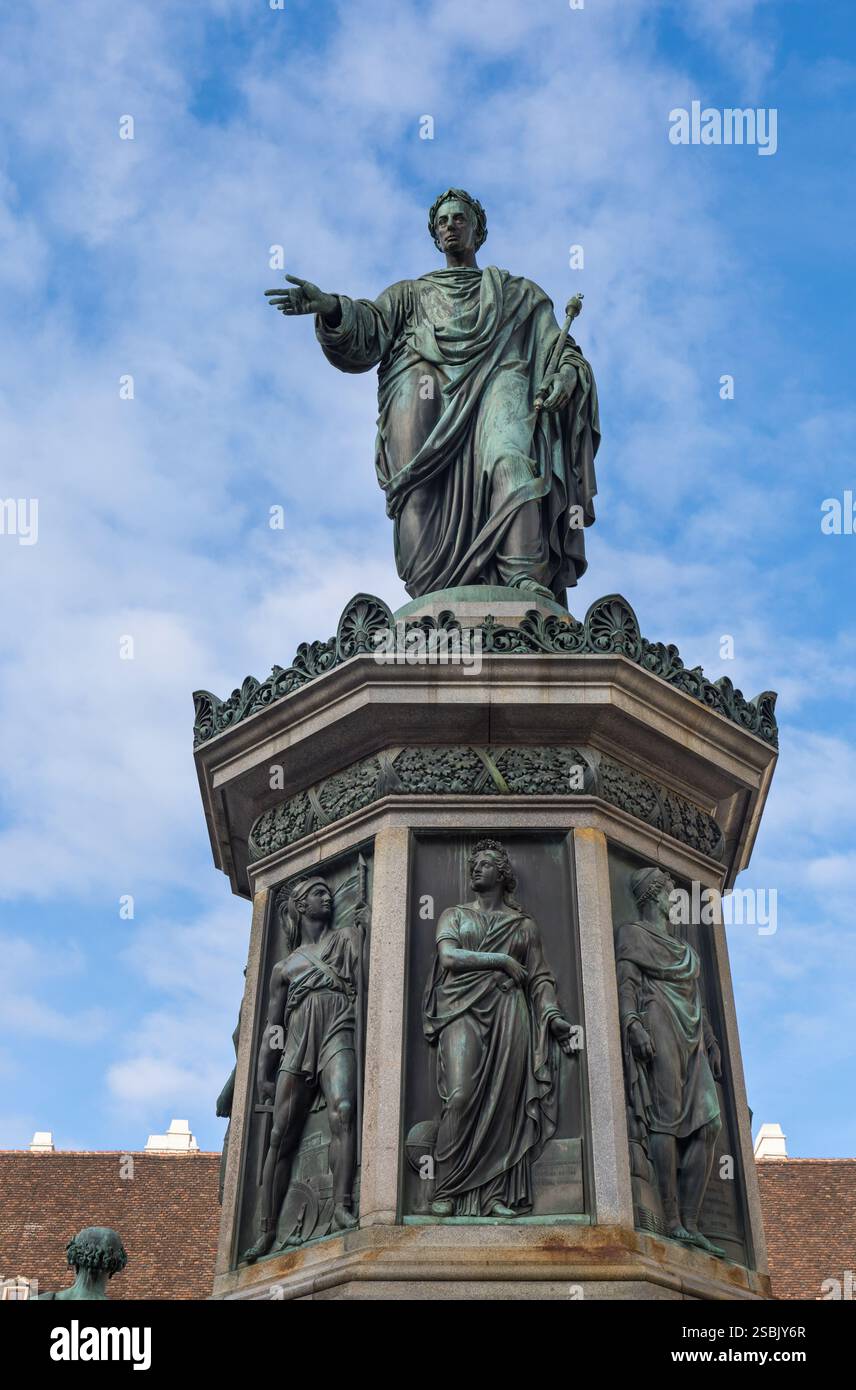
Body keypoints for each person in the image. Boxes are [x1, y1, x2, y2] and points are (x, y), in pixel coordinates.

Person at [265, 189, 599, 605]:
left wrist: (566, 376)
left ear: (477, 230)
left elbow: (560, 352)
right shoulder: (410, 295)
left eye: (459, 219)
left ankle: (521, 578)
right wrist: (332, 307)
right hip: (425, 396)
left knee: (510, 460)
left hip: (502, 382)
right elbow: (369, 331)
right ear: (434, 234)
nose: (450, 227)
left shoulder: (518, 295)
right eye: (442, 222)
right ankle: (434, 597)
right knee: (416, 491)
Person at [423, 839, 579, 1217]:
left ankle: (494, 1194)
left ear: (503, 874)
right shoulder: (454, 915)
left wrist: (554, 1018)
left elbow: (540, 979)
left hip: (511, 1014)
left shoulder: (524, 926)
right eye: (474, 863)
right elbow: (449, 957)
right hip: (460, 1011)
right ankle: (446, 1186)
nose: (476, 868)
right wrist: (501, 961)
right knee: (460, 1096)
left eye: (486, 864)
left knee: (504, 1107)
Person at [243, 877, 361, 1264]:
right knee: (279, 1136)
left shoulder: (346, 938)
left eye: (329, 892)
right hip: (296, 1041)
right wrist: (264, 1070)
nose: (326, 897)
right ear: (299, 904)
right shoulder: (284, 967)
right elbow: (273, 1025)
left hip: (337, 1026)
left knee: (343, 1110)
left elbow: (366, 978)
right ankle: (266, 1230)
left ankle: (344, 1205)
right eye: (317, 893)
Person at [616, 865, 725, 1257]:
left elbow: (695, 995)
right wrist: (631, 1023)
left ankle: (691, 1223)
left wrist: (711, 1040)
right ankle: (672, 1218)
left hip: (692, 1031)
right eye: (667, 892)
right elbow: (626, 982)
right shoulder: (632, 934)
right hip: (658, 1018)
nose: (673, 900)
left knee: (709, 1123)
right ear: (653, 895)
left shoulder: (685, 950)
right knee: (666, 1115)